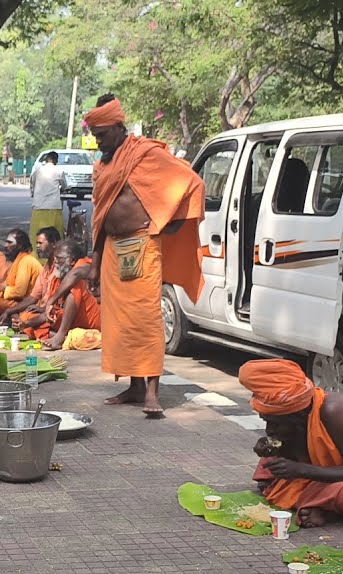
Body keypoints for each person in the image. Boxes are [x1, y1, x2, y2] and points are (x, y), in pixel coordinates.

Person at [84, 94, 205, 416]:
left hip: (142, 244)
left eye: (103, 135)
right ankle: (135, 387)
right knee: (120, 323)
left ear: (119, 127)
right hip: (111, 248)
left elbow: (191, 183)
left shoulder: (144, 154)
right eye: (95, 136)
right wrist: (94, 263)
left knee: (146, 320)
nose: (98, 142)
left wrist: (167, 227)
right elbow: (99, 216)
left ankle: (153, 392)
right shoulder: (102, 165)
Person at [239, 359, 343, 528]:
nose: (269, 429)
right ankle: (319, 502)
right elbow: (306, 449)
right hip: (340, 471)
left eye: (276, 423)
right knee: (270, 461)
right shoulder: (304, 412)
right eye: (266, 422)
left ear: (297, 416)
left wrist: (301, 470)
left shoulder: (333, 411)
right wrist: (272, 447)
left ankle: (327, 508)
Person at [28, 240, 101, 350]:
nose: (56, 262)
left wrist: (50, 302)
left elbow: (75, 274)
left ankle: (60, 337)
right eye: (55, 258)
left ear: (71, 261)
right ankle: (65, 337)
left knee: (75, 287)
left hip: (97, 320)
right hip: (76, 323)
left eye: (60, 259)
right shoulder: (60, 276)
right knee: (32, 320)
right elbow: (57, 309)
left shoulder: (83, 264)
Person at [0, 227, 62, 326]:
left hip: (52, 311)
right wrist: (9, 311)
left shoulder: (60, 268)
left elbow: (19, 292)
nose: (37, 246)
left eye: (40, 243)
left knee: (25, 319)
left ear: (53, 244)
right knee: (21, 316)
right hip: (39, 308)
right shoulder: (46, 268)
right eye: (37, 243)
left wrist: (43, 309)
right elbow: (33, 297)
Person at [0, 229, 42, 317]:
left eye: (9, 243)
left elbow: (18, 292)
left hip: (26, 302)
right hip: (13, 298)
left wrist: (4, 289)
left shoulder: (26, 261)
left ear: (19, 245)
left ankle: (12, 314)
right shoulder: (17, 260)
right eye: (6, 242)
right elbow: (5, 285)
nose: (5, 246)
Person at [29, 151, 66, 239]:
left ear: (45, 160)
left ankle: (35, 251)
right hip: (54, 207)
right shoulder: (59, 171)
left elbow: (32, 185)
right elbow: (64, 185)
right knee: (55, 233)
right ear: (56, 160)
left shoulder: (37, 172)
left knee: (37, 232)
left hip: (38, 207)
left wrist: (33, 194)